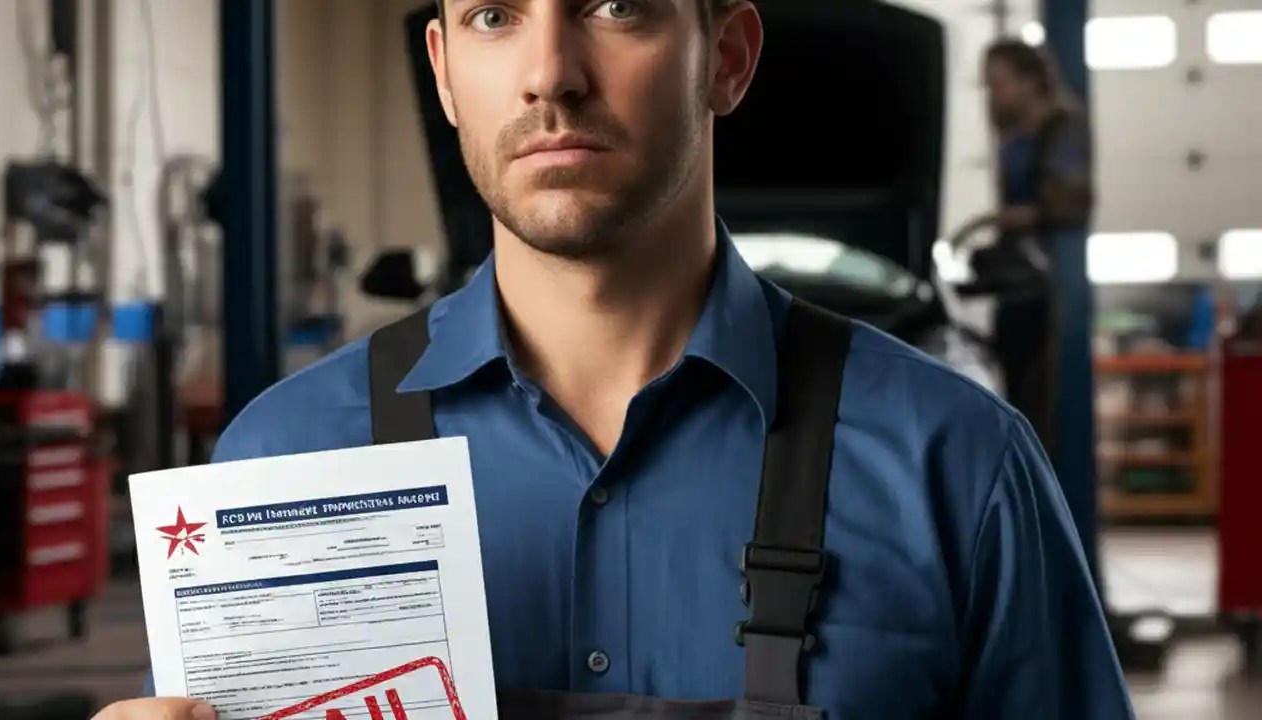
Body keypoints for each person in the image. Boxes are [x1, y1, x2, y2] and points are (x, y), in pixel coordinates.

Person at [94, 3, 1133, 719]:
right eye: (493, 17)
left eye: (616, 5)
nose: (551, 74)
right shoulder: (278, 463)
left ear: (724, 58)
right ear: (445, 70)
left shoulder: (955, 464)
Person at [955, 38, 1095, 453]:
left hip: (1048, 283)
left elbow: (1071, 204)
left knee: (1040, 397)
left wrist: (1004, 219)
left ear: (1029, 80)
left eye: (998, 83)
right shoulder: (1010, 134)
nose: (992, 94)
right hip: (1015, 283)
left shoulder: (1063, 127)